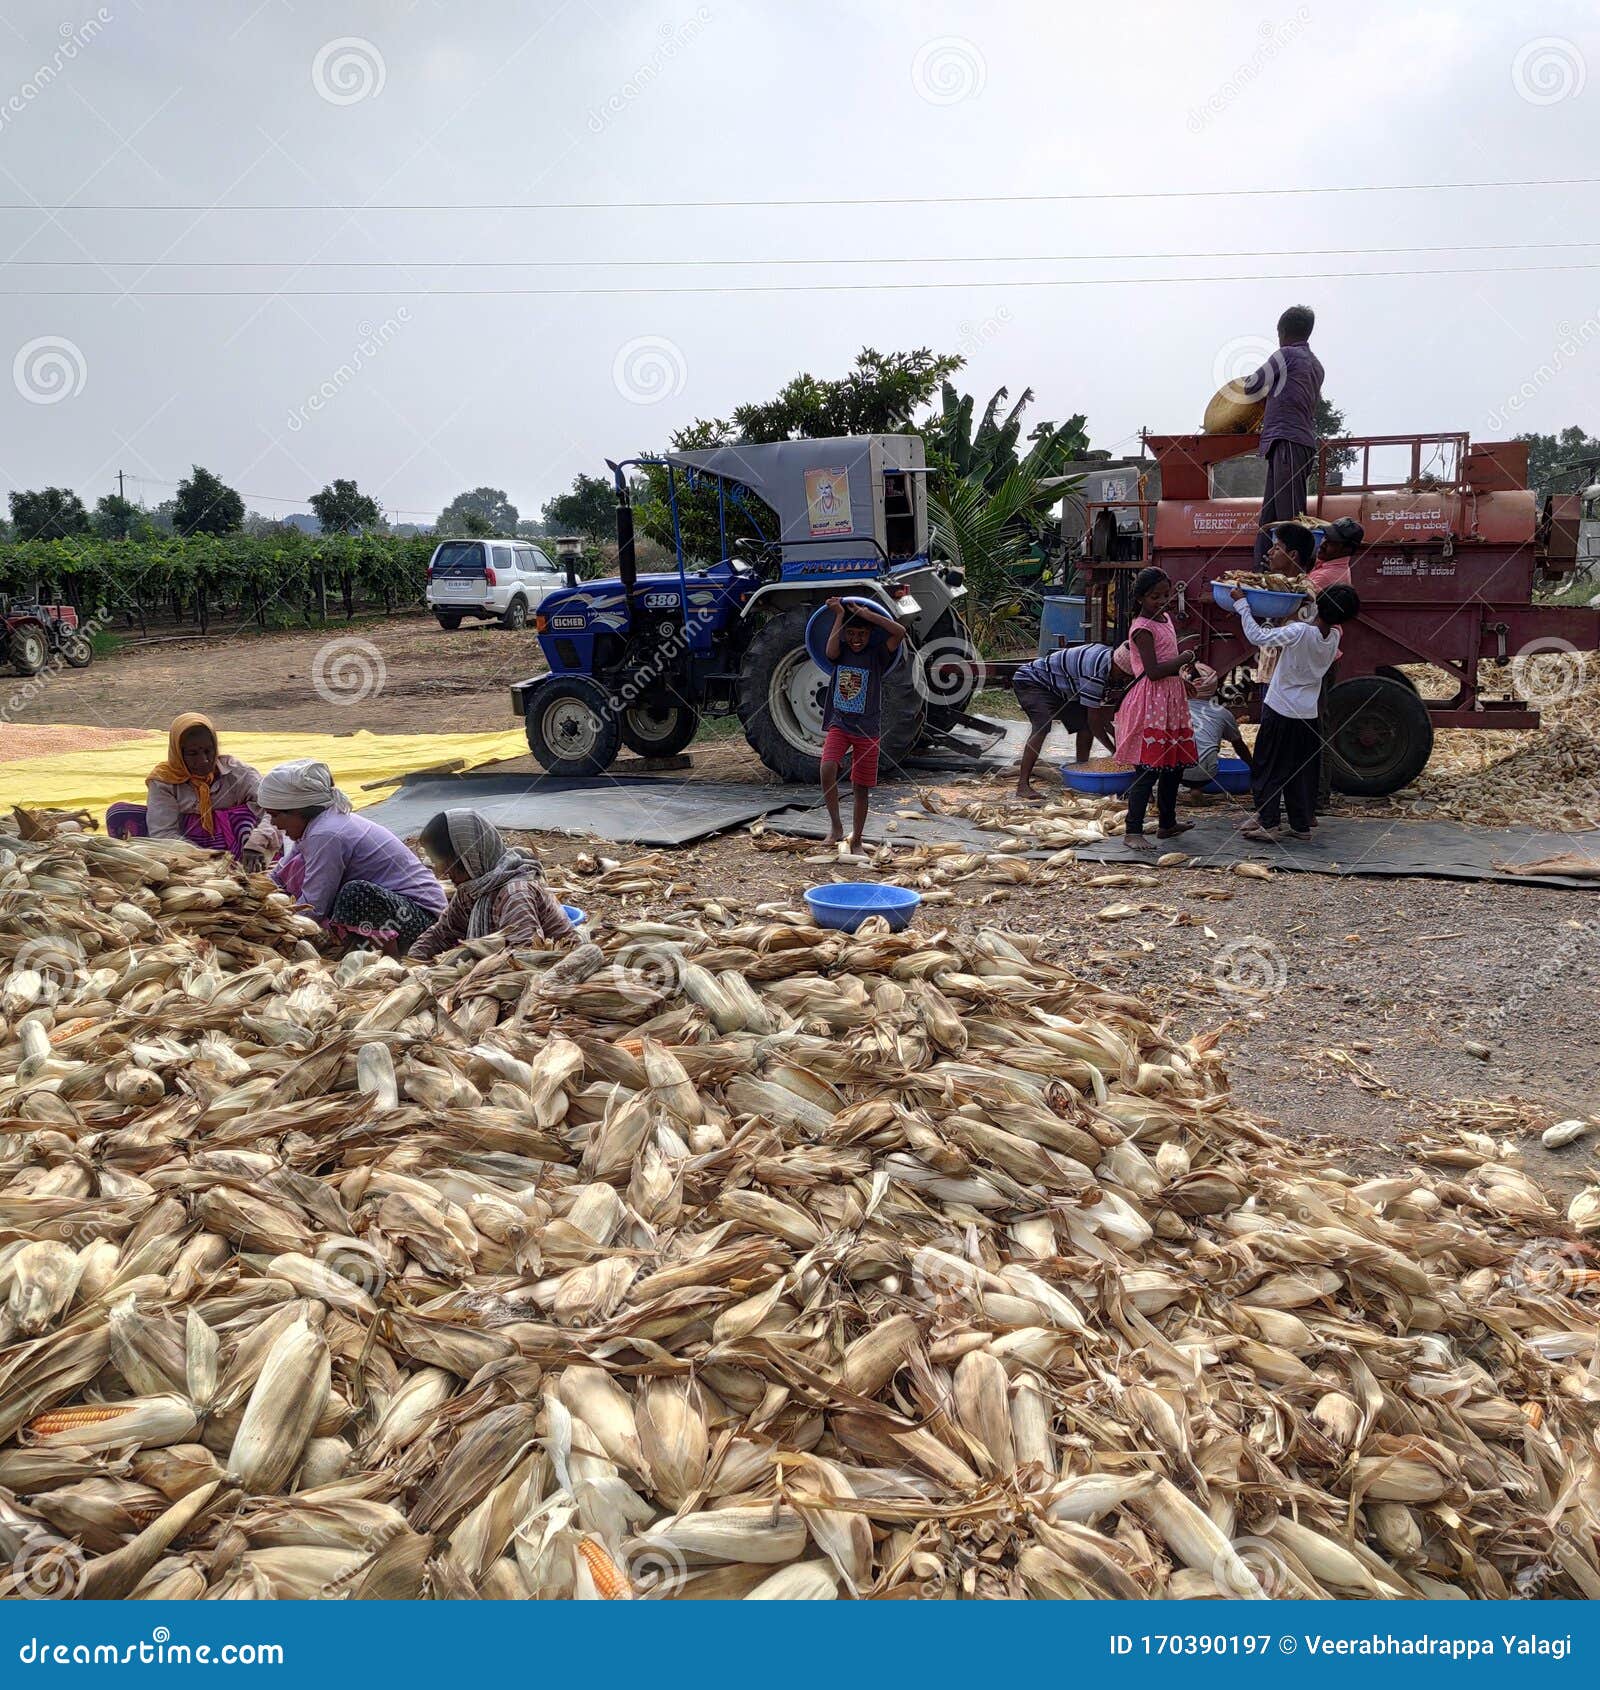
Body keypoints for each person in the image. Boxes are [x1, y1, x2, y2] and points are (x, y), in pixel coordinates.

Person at [258, 759, 446, 952]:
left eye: (276, 815)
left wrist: (278, 930)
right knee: (297, 868)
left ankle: (386, 959)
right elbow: (279, 876)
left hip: (421, 921)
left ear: (298, 811)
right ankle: (357, 950)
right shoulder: (315, 827)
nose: (275, 824)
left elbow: (314, 904)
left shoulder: (326, 833)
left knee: (355, 893)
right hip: (401, 912)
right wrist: (252, 896)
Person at [1227, 583, 1360, 843]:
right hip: (1306, 714)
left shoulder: (1298, 632)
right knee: (1298, 772)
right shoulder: (1333, 638)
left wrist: (1241, 604)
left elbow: (1258, 637)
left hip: (1280, 710)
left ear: (1318, 606)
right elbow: (1318, 619)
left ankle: (1269, 822)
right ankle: (1300, 825)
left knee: (1268, 766)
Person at [106, 713, 276, 860]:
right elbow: (164, 833)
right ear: (178, 753)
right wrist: (206, 858)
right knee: (119, 814)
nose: (204, 760)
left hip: (240, 846)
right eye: (192, 754)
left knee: (260, 819)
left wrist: (257, 843)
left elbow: (274, 809)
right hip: (189, 848)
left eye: (208, 751)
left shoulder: (237, 773)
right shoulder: (164, 780)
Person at [411, 810, 575, 959]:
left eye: (446, 863)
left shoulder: (515, 893)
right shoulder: (470, 891)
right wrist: (411, 961)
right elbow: (442, 933)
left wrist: (467, 958)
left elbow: (525, 957)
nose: (442, 872)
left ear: (470, 856)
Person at [1114, 567, 1199, 848]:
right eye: (1155, 597)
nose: (1162, 601)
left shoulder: (1165, 619)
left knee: (1173, 766)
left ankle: (1167, 823)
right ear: (1140, 598)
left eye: (1166, 595)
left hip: (1171, 698)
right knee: (1148, 768)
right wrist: (1183, 659)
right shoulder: (1141, 628)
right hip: (1151, 700)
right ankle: (1133, 831)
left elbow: (1167, 663)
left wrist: (1181, 679)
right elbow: (1152, 671)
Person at [819, 597, 904, 853]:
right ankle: (836, 826)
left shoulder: (877, 655)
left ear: (870, 635)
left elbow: (899, 632)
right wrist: (839, 616)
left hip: (868, 731)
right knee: (826, 768)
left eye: (862, 634)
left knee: (861, 787)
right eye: (852, 633)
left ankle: (857, 838)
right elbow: (829, 652)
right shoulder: (841, 652)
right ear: (845, 634)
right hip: (840, 724)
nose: (857, 639)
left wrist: (867, 615)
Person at [1243, 304, 1324, 566]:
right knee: (1270, 516)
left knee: (1289, 518)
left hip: (1287, 440)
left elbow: (1252, 385)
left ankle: (1295, 575)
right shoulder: (1316, 365)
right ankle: (1261, 570)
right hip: (1295, 442)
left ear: (1282, 332)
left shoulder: (1286, 355)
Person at [1011, 640, 1132, 800]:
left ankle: (1081, 772)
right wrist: (1115, 750)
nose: (1124, 678)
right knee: (1042, 726)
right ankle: (1023, 785)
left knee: (1084, 727)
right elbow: (1095, 722)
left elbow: (1103, 718)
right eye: (1123, 674)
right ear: (1117, 665)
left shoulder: (1111, 669)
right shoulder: (1095, 671)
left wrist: (1121, 744)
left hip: (1063, 688)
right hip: (1032, 680)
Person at [1179, 665, 1252, 792]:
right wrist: (1253, 768)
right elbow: (1239, 745)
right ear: (1213, 687)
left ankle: (1153, 795)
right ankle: (1197, 789)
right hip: (1208, 772)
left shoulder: (1176, 709)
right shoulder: (1222, 713)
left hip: (1178, 771)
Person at [1308, 515, 1363, 592]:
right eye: (1325, 537)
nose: (1323, 544)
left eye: (1331, 542)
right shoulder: (1326, 562)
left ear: (1346, 550)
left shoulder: (1324, 577)